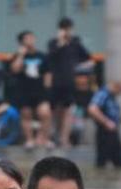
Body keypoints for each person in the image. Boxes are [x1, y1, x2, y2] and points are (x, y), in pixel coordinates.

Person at [45, 18, 92, 149]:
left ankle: (64, 138)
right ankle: (53, 137)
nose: (67, 32)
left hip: (70, 82)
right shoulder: (53, 43)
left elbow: (88, 59)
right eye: (64, 29)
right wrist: (60, 42)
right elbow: (49, 58)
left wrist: (78, 68)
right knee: (54, 111)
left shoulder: (76, 43)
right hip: (55, 83)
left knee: (68, 110)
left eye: (69, 29)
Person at [9, 30, 52, 149]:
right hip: (24, 90)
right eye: (27, 38)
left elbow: (48, 73)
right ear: (21, 42)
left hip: (40, 90)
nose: (30, 40)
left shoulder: (42, 55)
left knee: (45, 113)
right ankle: (29, 140)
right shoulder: (17, 56)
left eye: (32, 37)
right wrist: (21, 55)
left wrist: (47, 89)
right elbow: (15, 70)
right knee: (26, 115)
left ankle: (43, 138)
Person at [87, 80, 121, 168]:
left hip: (113, 132)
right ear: (116, 87)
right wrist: (106, 122)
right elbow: (92, 109)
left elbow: (112, 116)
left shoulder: (112, 97)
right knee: (102, 161)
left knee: (119, 162)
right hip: (105, 133)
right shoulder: (103, 94)